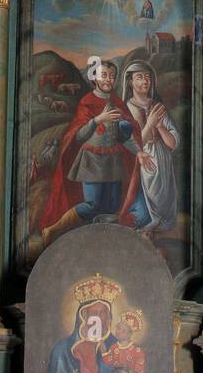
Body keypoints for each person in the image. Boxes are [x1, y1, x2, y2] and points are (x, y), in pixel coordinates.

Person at [39, 56, 154, 246]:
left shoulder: (117, 102)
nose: (108, 79)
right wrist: (98, 119)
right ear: (95, 78)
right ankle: (52, 230)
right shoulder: (87, 102)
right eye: (104, 75)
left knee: (112, 207)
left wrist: (138, 152)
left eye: (111, 76)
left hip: (113, 162)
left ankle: (98, 243)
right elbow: (78, 136)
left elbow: (123, 135)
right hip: (92, 161)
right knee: (92, 205)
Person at [120, 60, 179, 236]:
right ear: (130, 82)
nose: (145, 82)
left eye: (147, 78)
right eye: (139, 78)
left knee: (163, 200)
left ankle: (156, 223)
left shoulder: (157, 106)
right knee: (145, 205)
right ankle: (150, 223)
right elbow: (130, 144)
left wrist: (160, 127)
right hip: (140, 159)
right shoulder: (126, 109)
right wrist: (150, 124)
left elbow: (173, 143)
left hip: (161, 157)